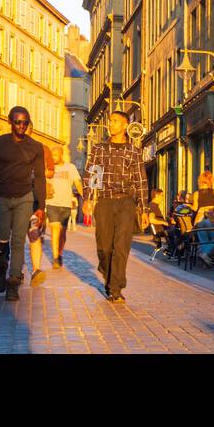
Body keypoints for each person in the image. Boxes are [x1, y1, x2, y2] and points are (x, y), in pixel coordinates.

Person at [0, 106, 45, 301]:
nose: (22, 126)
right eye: (18, 122)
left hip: (25, 197)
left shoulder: (36, 147)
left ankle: (14, 281)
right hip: (1, 197)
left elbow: (40, 178)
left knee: (18, 242)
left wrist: (41, 207)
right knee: (0, 242)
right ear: (10, 122)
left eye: (25, 122)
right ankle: (0, 269)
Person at [82, 111, 147, 301]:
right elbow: (92, 175)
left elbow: (141, 181)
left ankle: (116, 287)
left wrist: (144, 209)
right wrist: (87, 198)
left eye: (115, 121)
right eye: (110, 121)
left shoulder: (134, 152)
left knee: (121, 246)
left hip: (126, 202)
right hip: (104, 202)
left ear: (125, 125)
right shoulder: (99, 149)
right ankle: (107, 271)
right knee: (103, 247)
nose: (111, 124)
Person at [45, 145, 82, 268]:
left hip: (66, 204)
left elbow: (77, 183)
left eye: (55, 154)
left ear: (61, 155)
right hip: (52, 203)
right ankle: (55, 258)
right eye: (52, 154)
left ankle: (60, 253)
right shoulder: (48, 168)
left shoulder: (70, 167)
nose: (53, 157)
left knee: (62, 233)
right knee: (55, 230)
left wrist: (85, 197)